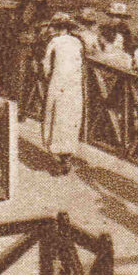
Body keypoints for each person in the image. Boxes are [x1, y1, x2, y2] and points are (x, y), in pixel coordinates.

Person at [41, 14, 88, 176]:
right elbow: (82, 65)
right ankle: (67, 153)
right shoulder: (77, 42)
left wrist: (48, 77)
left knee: (56, 115)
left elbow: (46, 66)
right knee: (71, 117)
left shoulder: (54, 42)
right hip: (74, 85)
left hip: (58, 82)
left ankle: (58, 154)